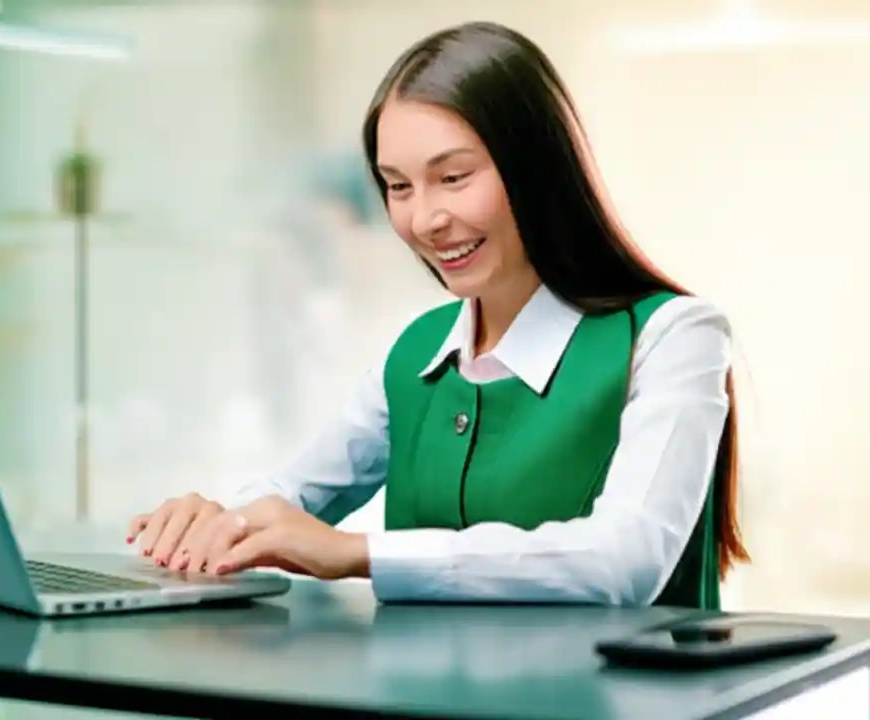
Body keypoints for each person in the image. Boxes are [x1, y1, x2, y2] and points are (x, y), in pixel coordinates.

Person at [126, 20, 748, 609]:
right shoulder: (418, 354)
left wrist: (356, 554)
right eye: (399, 186)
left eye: (452, 177)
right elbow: (296, 497)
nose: (424, 220)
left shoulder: (672, 337)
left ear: (536, 168)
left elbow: (626, 559)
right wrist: (220, 523)